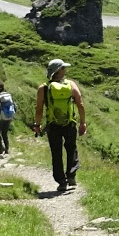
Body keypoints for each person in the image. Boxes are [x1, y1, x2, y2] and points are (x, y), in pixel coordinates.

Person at [33, 58, 86, 192]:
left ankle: (61, 182)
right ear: (59, 71)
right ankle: (71, 175)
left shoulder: (43, 88)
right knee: (71, 148)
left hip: (52, 124)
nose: (65, 70)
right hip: (70, 123)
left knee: (56, 153)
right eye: (63, 68)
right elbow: (80, 104)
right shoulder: (71, 85)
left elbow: (39, 110)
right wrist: (82, 123)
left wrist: (37, 125)